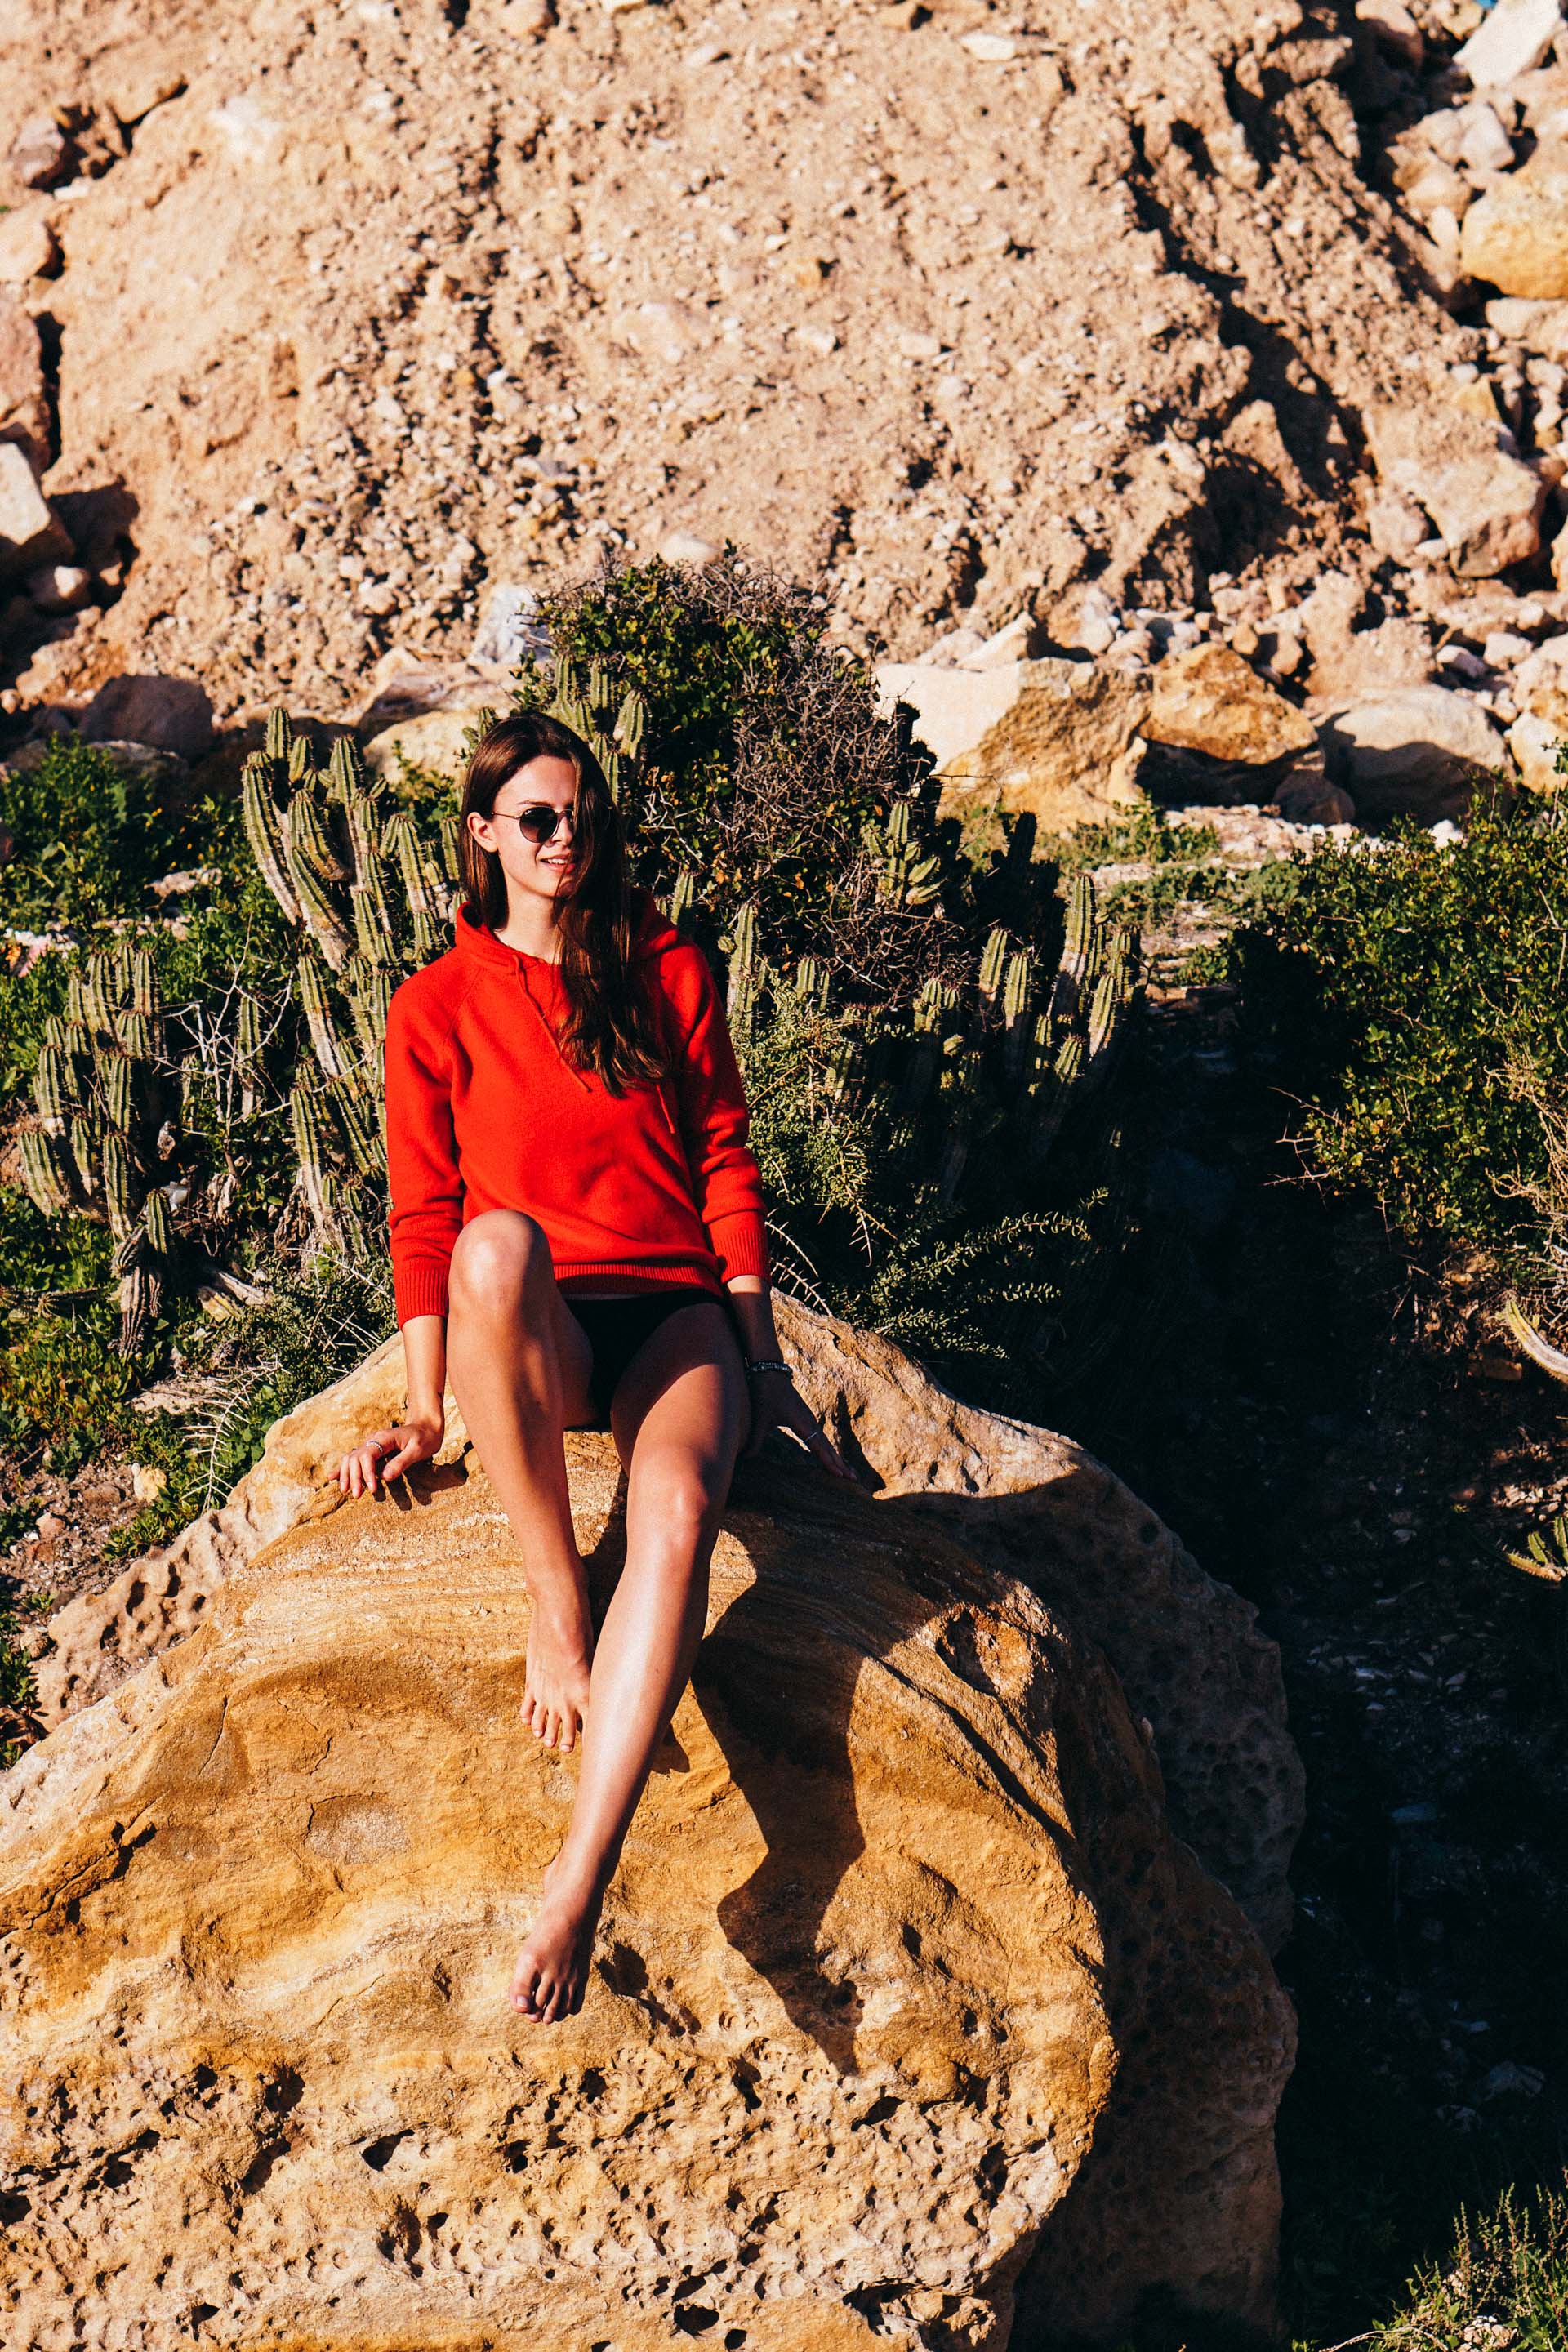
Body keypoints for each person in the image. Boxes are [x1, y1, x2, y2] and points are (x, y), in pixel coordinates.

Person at [336, 710, 849, 2025]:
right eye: (538, 819)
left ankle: (580, 1880)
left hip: (673, 1314)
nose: (565, 840)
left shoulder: (663, 965)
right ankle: (557, 1601)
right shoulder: (435, 1005)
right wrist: (423, 1405)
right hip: (544, 1325)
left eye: (581, 817)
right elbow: (423, 1218)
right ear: (485, 834)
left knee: (677, 1509)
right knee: (496, 1242)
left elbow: (725, 1157)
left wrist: (762, 1358)